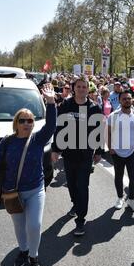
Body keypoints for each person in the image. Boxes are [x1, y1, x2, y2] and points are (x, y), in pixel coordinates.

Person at [0, 85, 57, 266]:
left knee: (34, 225)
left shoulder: (38, 139)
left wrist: (50, 102)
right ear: (16, 123)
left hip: (35, 190)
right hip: (12, 192)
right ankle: (23, 251)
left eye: (30, 120)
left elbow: (51, 126)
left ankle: (33, 257)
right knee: (19, 226)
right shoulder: (7, 142)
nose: (27, 123)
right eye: (23, 120)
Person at [51, 76, 104, 236]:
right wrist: (55, 149)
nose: (81, 89)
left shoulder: (94, 108)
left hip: (85, 154)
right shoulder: (66, 105)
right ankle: (75, 204)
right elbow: (59, 128)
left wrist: (99, 151)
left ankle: (80, 220)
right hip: (68, 154)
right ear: (74, 88)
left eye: (84, 87)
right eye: (79, 86)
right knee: (72, 185)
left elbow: (98, 130)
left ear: (88, 89)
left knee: (82, 186)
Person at [107, 91, 134, 213]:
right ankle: (119, 198)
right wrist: (110, 147)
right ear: (119, 100)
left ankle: (132, 200)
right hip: (117, 151)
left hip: (132, 151)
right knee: (118, 176)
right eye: (124, 99)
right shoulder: (113, 115)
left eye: (129, 98)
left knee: (133, 178)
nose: (127, 100)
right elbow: (107, 132)